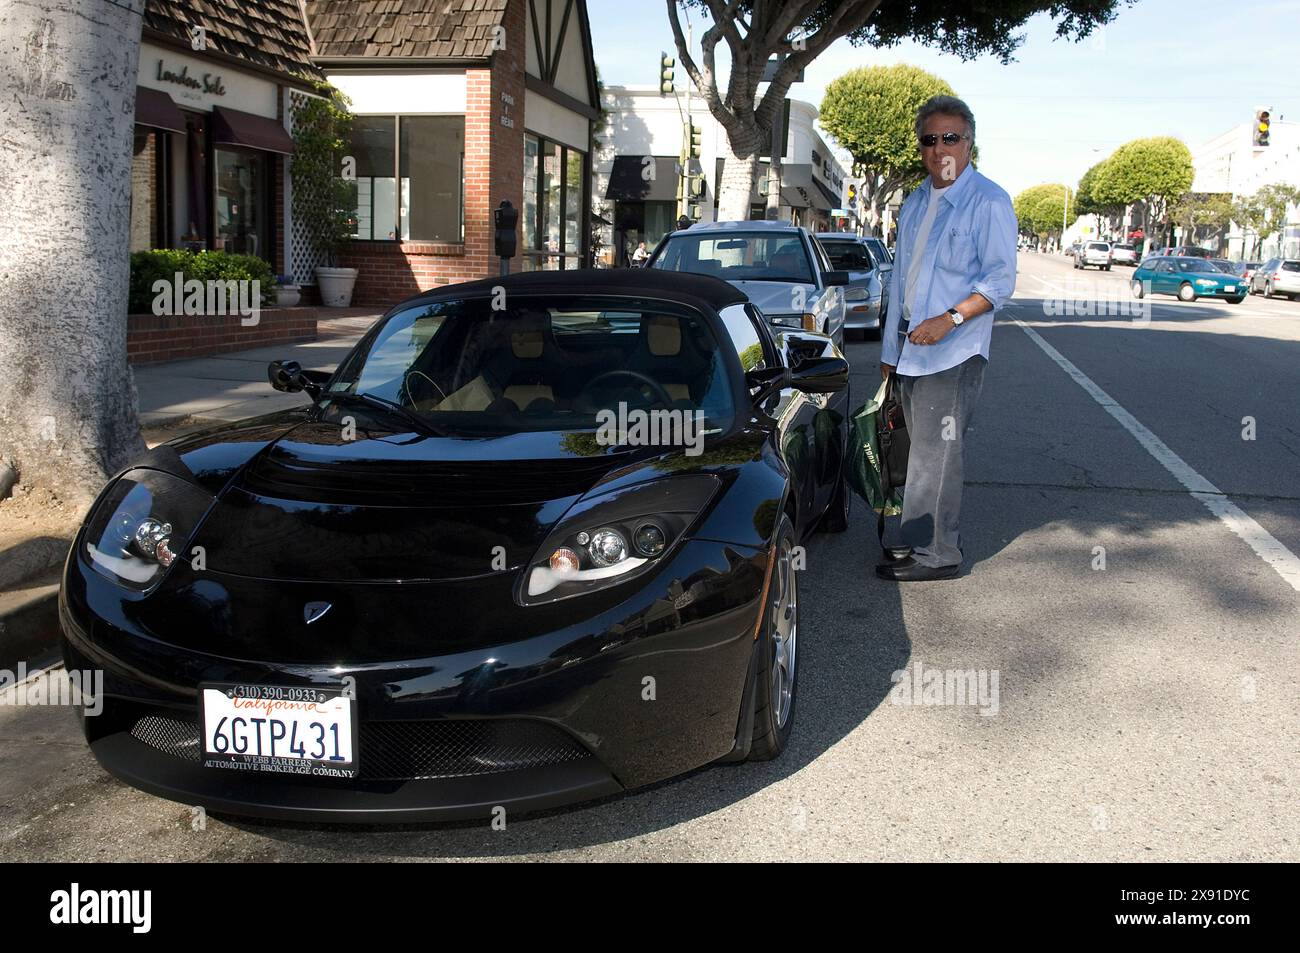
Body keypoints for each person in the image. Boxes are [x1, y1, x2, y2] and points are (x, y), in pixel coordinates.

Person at [877, 95, 1017, 582]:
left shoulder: (990, 201)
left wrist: (950, 320)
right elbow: (901, 281)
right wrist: (889, 352)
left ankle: (938, 554)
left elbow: (999, 283)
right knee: (919, 451)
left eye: (950, 138)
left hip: (953, 350)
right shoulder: (916, 201)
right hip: (910, 348)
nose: (940, 149)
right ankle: (917, 540)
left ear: (970, 142)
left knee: (937, 454)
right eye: (930, 140)